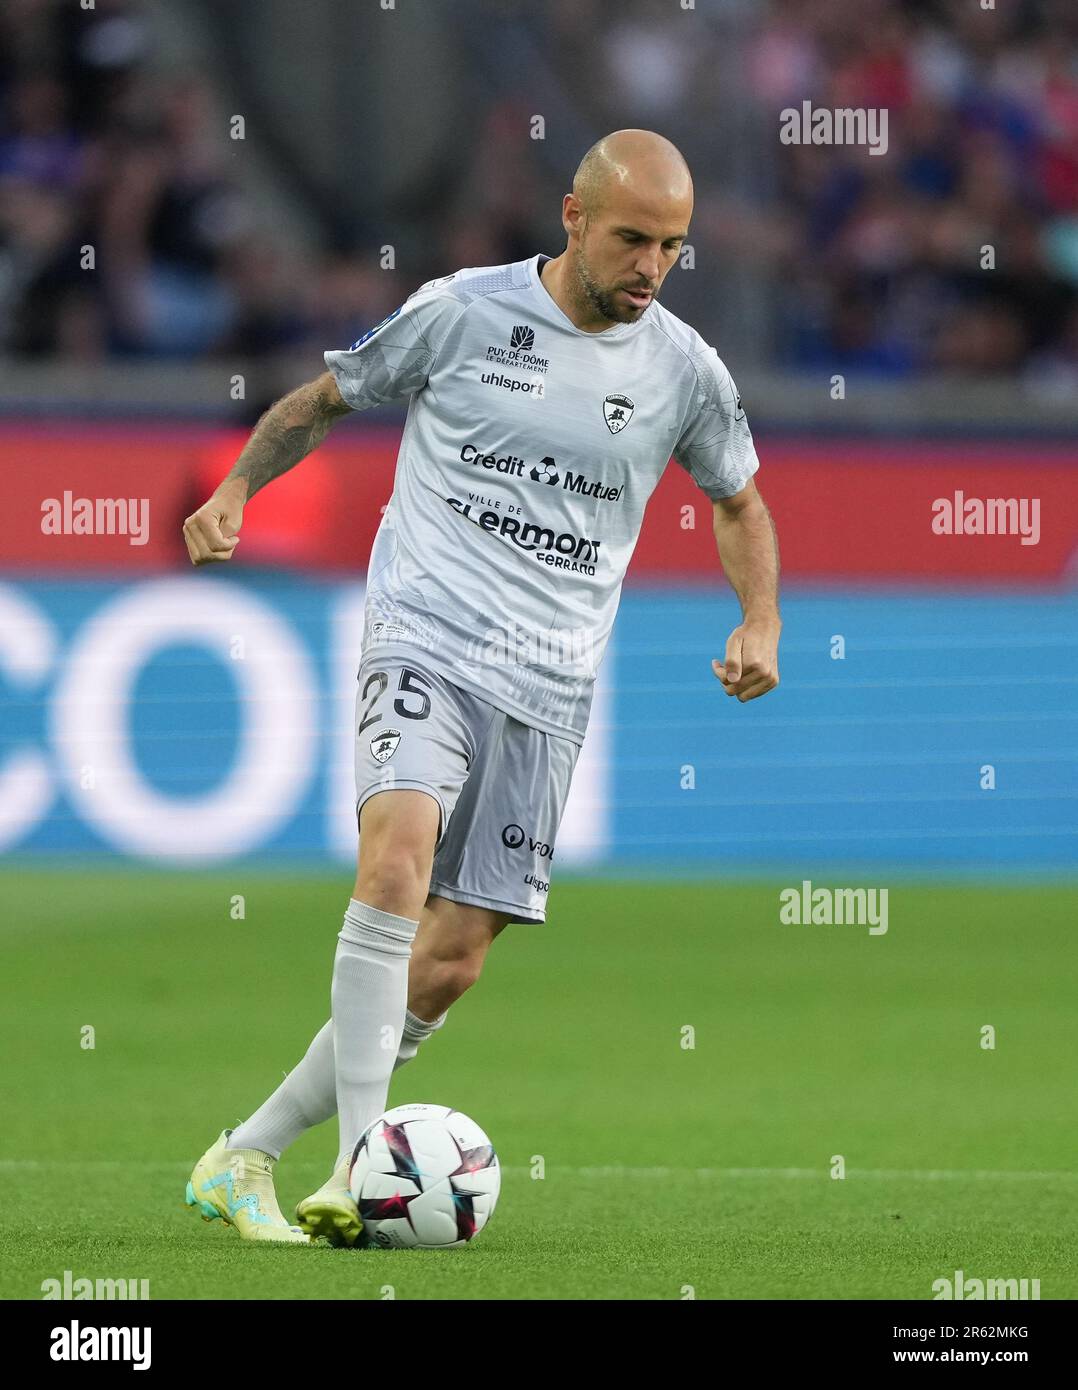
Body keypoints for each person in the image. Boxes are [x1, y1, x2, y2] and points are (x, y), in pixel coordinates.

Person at [182, 129, 781, 1245]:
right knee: (395, 854)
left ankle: (246, 1152)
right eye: (633, 239)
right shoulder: (462, 312)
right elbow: (320, 400)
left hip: (549, 687)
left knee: (449, 962)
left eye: (673, 247)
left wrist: (759, 616)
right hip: (427, 635)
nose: (652, 266)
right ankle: (367, 1165)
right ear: (572, 216)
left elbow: (738, 500)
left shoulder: (684, 371)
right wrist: (235, 492)